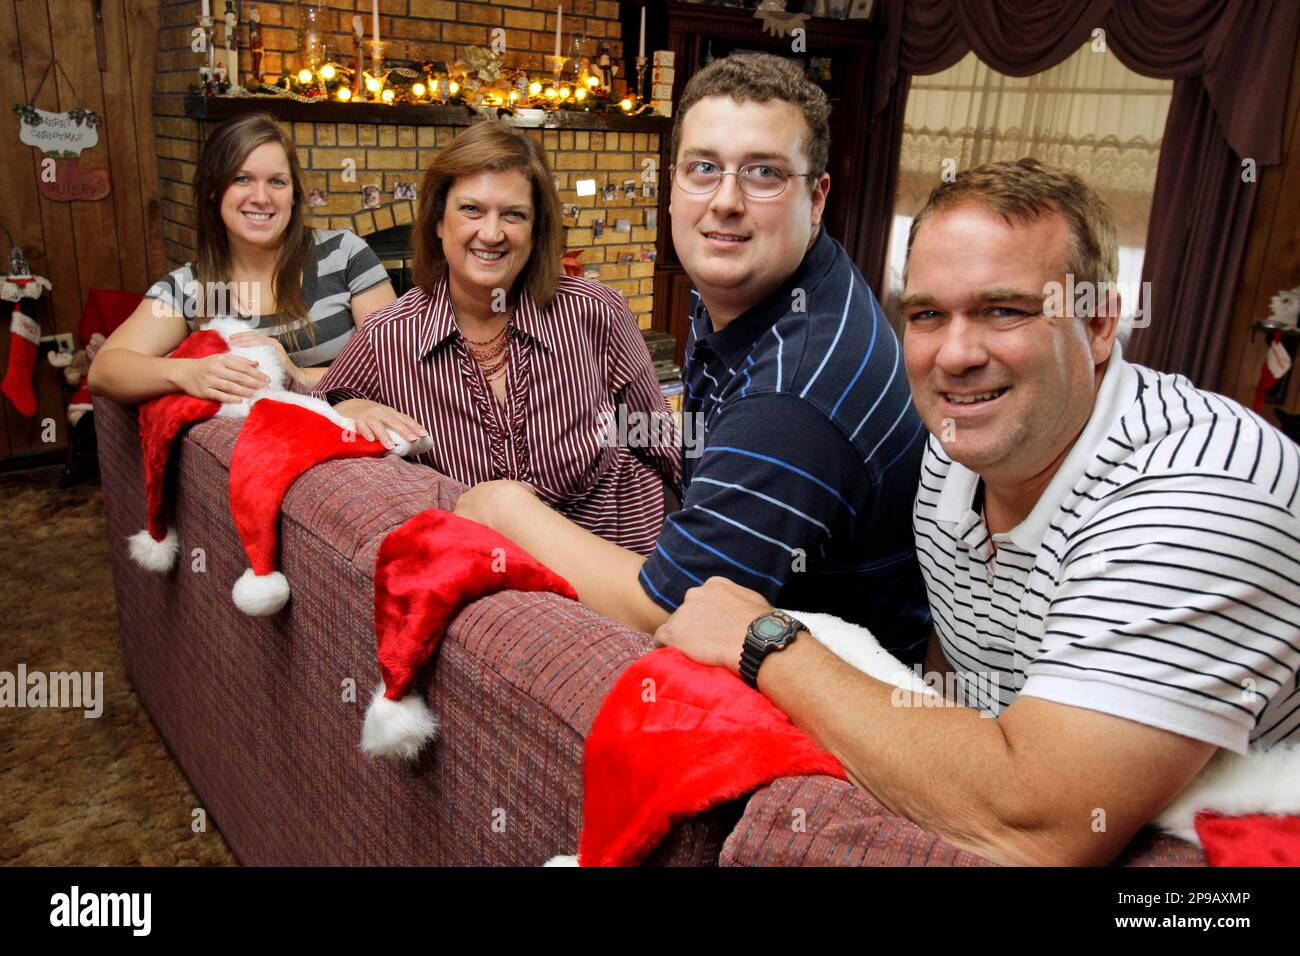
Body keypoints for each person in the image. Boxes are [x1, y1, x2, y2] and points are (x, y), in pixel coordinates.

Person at [654, 158, 1300, 865]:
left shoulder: (1201, 492)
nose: (955, 355)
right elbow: (952, 696)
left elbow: (1047, 825)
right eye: (928, 314)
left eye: (1005, 310)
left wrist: (765, 640)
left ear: (1100, 323)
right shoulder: (953, 455)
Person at [454, 54, 931, 655]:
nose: (725, 201)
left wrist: (505, 504)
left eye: (764, 174)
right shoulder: (768, 290)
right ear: (672, 184)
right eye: (704, 168)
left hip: (827, 713)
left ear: (817, 199)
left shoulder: (791, 396)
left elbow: (669, 611)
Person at [312, 120, 679, 556]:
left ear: (537, 230)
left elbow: (656, 437)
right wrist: (349, 406)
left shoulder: (595, 309)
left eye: (514, 214)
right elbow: (316, 413)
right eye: (471, 209)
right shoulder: (387, 334)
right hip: (494, 572)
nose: (491, 233)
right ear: (437, 222)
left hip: (623, 547)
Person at [89, 113, 396, 405]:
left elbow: (398, 369)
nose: (261, 197)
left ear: (293, 194)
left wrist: (299, 375)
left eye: (277, 181)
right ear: (213, 191)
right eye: (242, 179)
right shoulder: (192, 288)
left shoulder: (343, 254)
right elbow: (105, 370)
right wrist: (187, 372)